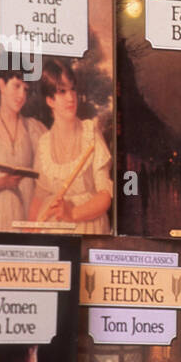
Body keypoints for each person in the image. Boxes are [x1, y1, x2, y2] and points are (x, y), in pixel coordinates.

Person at [29, 59, 112, 233]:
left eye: (72, 89)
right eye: (62, 91)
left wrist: (72, 213)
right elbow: (39, 197)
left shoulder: (91, 132)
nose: (70, 97)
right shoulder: (44, 143)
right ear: (50, 100)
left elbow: (105, 196)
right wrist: (29, 233)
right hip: (51, 229)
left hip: (88, 226)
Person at [0, 68, 48, 230]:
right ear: (1, 85)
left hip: (28, 216)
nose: (22, 95)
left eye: (25, 89)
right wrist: (3, 183)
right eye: (16, 86)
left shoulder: (34, 129)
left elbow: (49, 176)